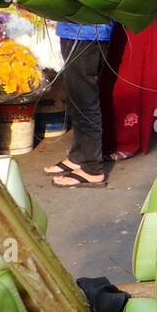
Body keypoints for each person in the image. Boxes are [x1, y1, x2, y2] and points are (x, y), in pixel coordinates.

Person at [46, 20, 112, 187]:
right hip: (76, 31)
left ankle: (92, 168)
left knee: (85, 100)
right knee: (76, 97)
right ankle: (79, 156)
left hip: (85, 33)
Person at [101, 19, 157, 161]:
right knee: (107, 79)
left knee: (128, 77)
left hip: (137, 18)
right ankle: (105, 140)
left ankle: (126, 140)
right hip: (113, 20)